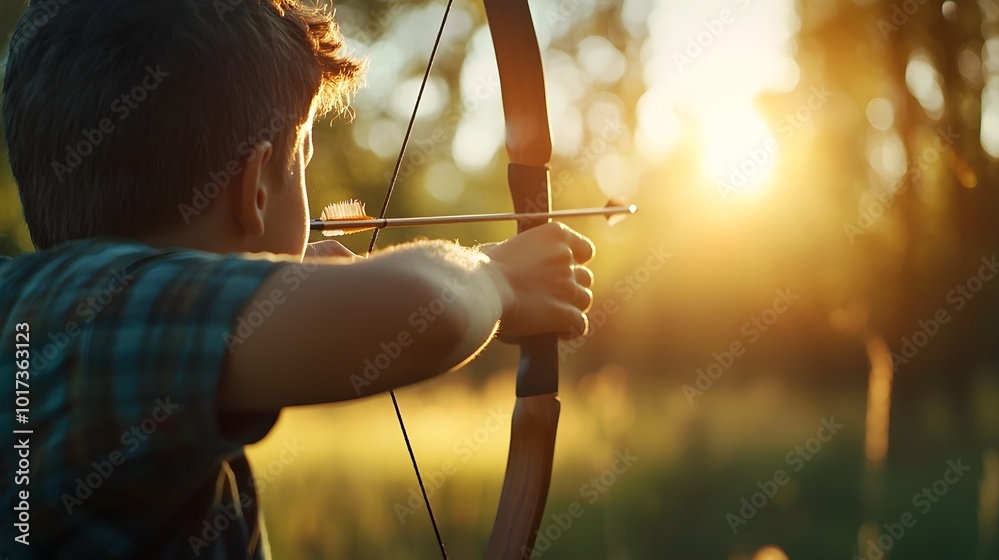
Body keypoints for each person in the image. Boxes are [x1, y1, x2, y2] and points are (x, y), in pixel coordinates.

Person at [0, 1, 595, 558]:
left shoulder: (29, 308)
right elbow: (430, 307)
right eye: (302, 162)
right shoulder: (112, 321)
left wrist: (282, 287)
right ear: (255, 189)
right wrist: (499, 279)